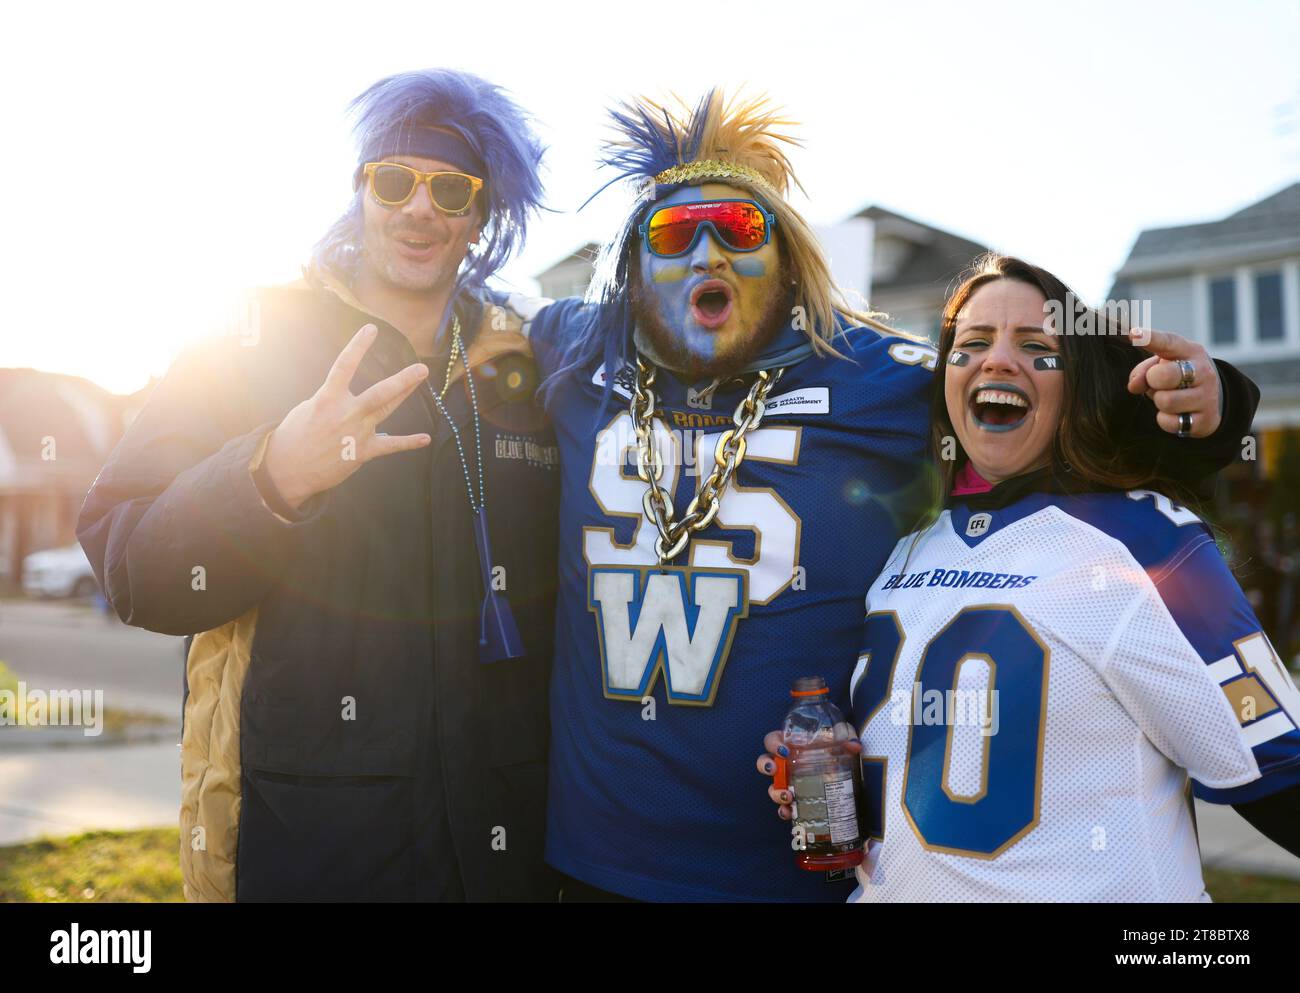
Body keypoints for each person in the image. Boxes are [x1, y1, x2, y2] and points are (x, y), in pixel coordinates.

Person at [526, 91, 1258, 902]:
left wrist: (1215, 406)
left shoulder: (878, 375)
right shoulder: (571, 352)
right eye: (672, 232)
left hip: (793, 870)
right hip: (594, 865)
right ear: (632, 263)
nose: (707, 255)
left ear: (789, 255)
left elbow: (1076, 401)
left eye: (740, 229)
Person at [76, 69, 559, 902]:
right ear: (361, 191)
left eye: (451, 188)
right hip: (305, 843)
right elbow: (132, 568)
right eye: (395, 179)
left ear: (480, 218)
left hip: (497, 850)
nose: (420, 208)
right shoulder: (247, 340)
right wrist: (269, 477)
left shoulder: (525, 367)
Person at [757, 255, 1300, 901]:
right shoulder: (908, 549)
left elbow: (1278, 774)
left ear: (1079, 385)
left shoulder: (1144, 542)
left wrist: (1218, 403)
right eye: (974, 342)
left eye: (1038, 346)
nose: (997, 361)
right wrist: (848, 768)